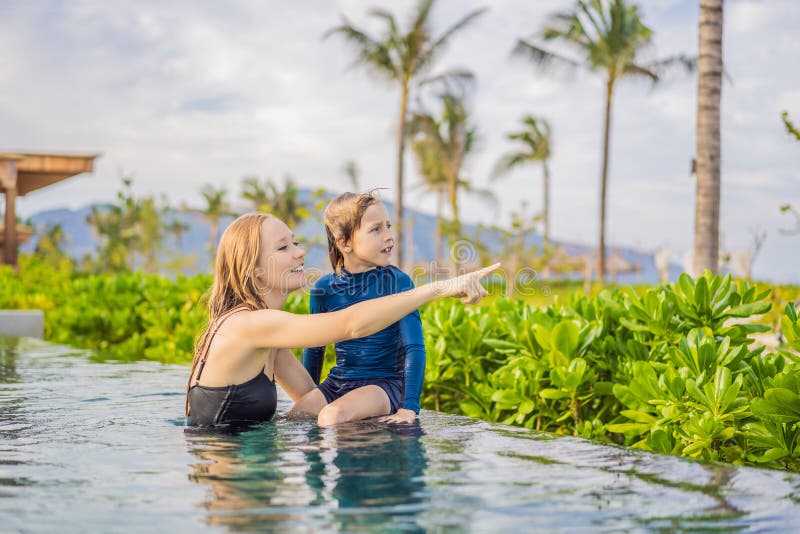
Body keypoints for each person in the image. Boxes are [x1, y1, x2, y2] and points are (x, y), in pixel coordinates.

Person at [185, 211, 498, 428]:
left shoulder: (265, 336)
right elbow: (350, 324)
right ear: (254, 270)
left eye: (295, 243)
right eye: (283, 247)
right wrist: (440, 288)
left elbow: (308, 400)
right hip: (232, 485)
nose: (299, 253)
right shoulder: (249, 325)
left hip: (246, 475)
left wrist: (374, 396)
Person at [293, 192, 424, 426]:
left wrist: (409, 407)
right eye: (376, 229)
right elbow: (315, 349)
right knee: (295, 417)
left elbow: (414, 348)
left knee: (332, 416)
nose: (389, 236)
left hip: (384, 385)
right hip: (338, 382)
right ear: (344, 242)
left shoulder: (398, 282)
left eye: (388, 226)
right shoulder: (323, 289)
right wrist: (310, 395)